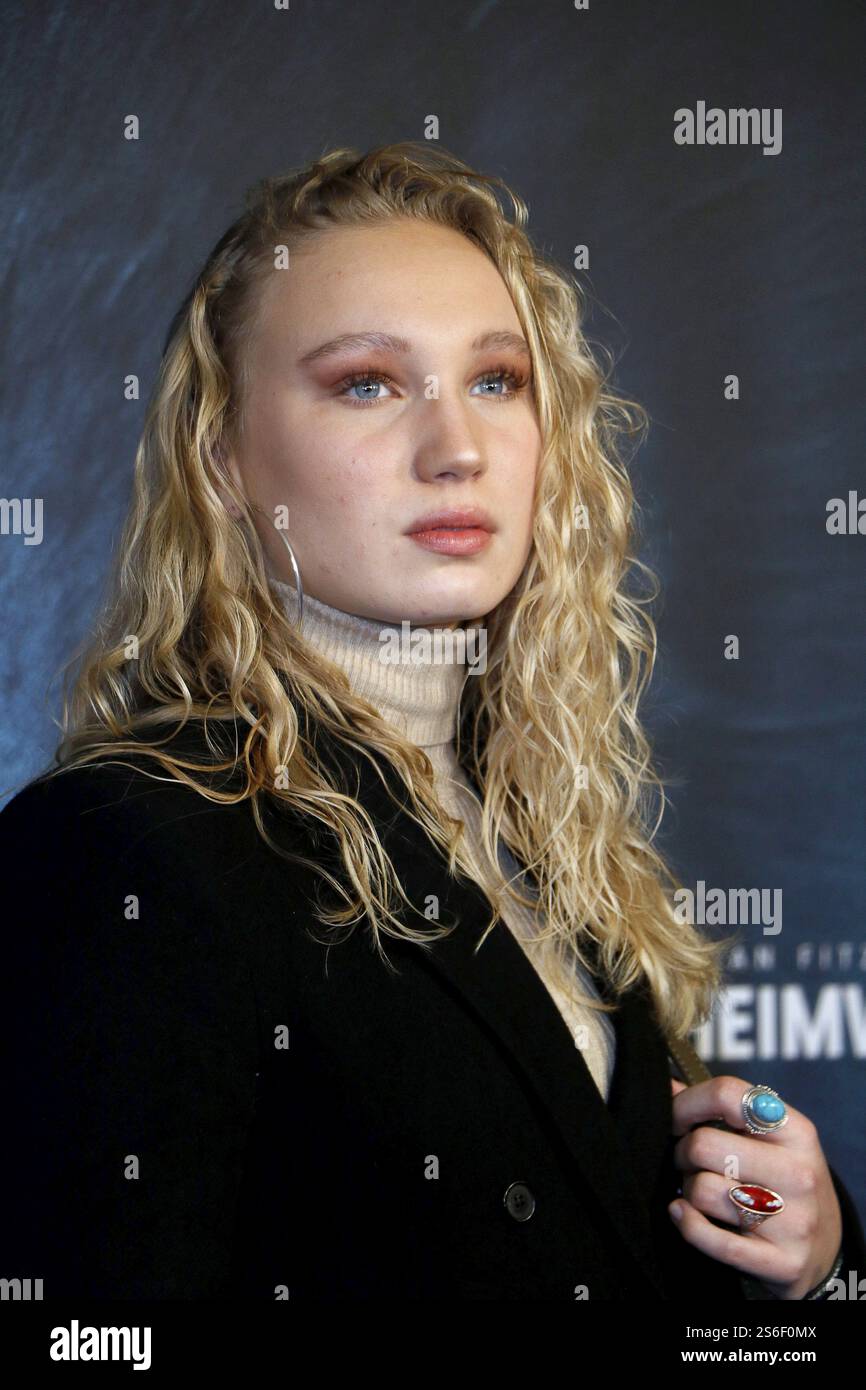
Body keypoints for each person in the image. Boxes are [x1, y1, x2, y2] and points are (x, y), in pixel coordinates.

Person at [1, 141, 862, 1301]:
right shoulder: (121, 842)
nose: (456, 448)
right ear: (223, 463)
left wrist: (806, 1261)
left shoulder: (542, 836)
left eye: (496, 380)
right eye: (366, 382)